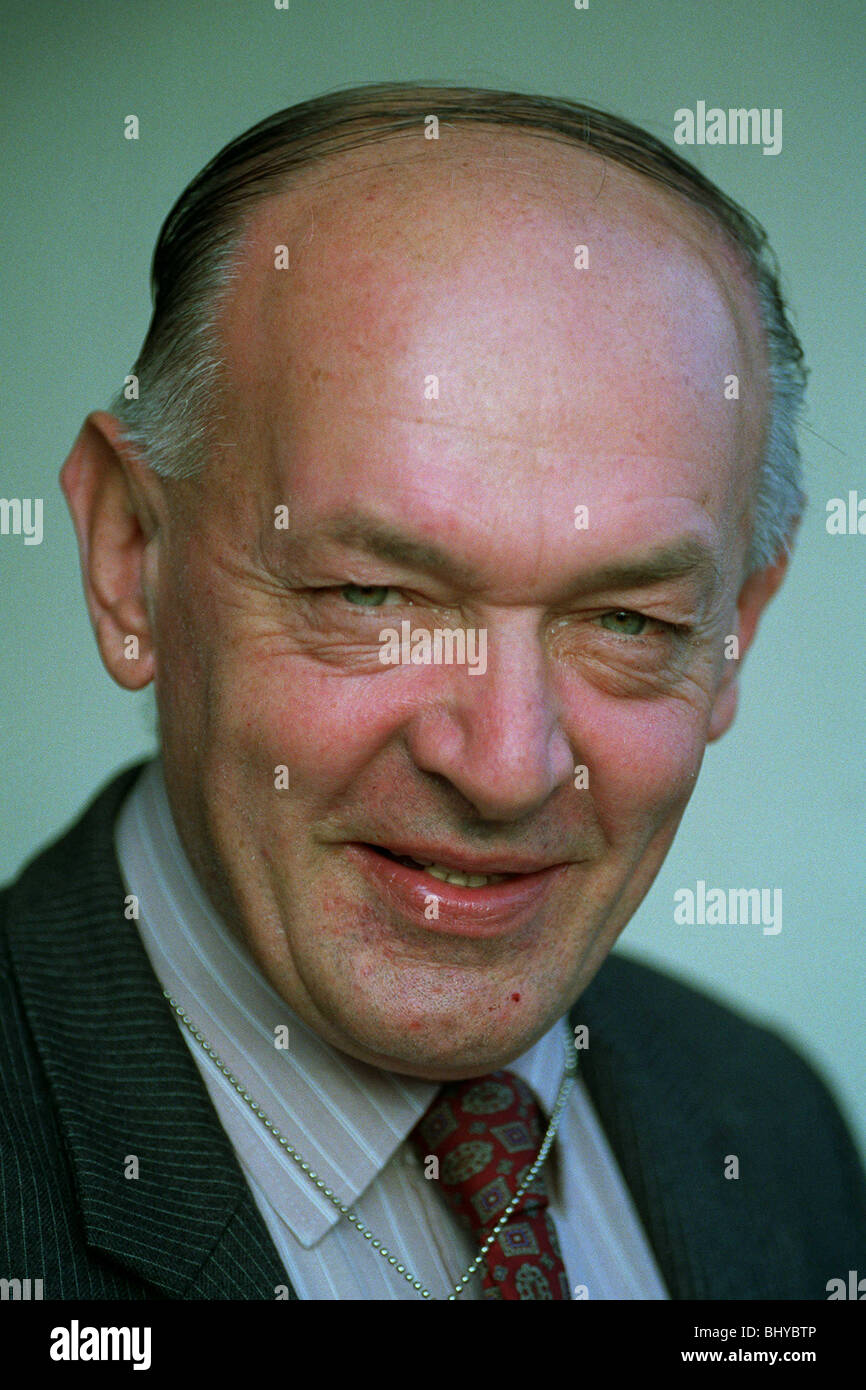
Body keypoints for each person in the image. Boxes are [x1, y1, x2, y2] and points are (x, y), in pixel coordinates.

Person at [2, 82, 864, 1301]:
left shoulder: (769, 1125)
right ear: (130, 561)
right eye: (374, 596)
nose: (508, 764)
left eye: (627, 620)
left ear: (732, 634)